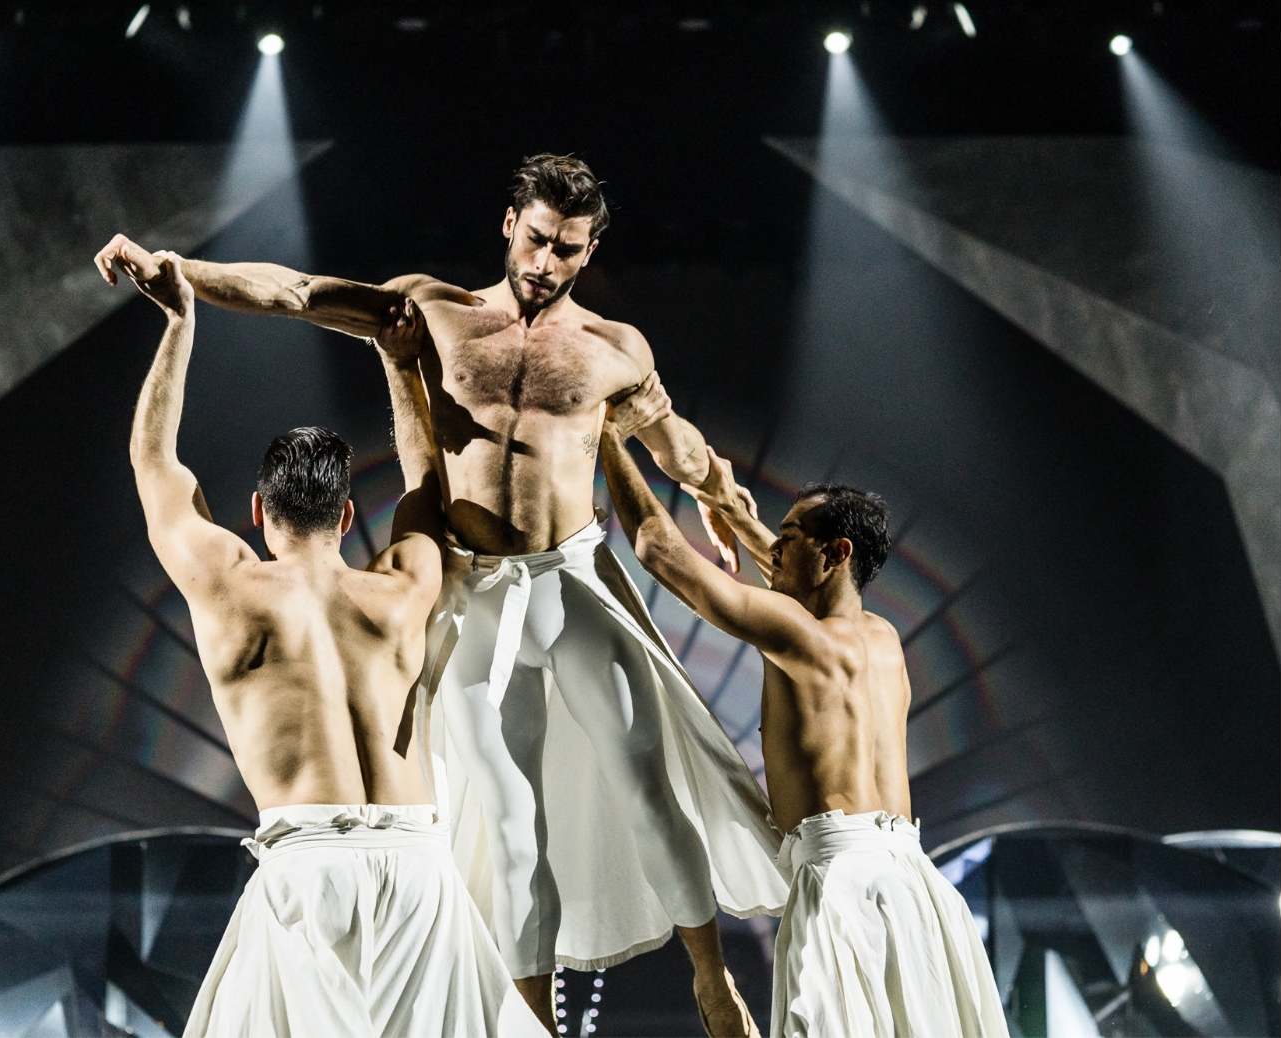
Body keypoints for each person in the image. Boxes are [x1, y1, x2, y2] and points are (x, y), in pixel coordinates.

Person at [95, 154, 785, 1037]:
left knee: (647, 779)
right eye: (536, 239)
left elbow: (678, 445)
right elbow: (296, 291)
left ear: (588, 251)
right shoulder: (429, 311)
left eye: (567, 250)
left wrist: (728, 506)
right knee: (501, 823)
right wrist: (179, 272)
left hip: (572, 575)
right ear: (509, 225)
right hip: (472, 583)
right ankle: (529, 1017)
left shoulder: (614, 349)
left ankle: (711, 979)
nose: (545, 263)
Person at [121, 251, 543, 1037]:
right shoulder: (399, 590)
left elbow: (154, 464)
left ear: (255, 509)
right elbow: (425, 490)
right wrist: (398, 363)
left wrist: (179, 321)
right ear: (348, 517)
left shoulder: (230, 586)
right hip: (419, 867)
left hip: (308, 867)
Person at [599, 379, 1010, 1038]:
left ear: (836, 551)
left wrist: (607, 439)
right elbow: (801, 577)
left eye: (790, 536)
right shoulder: (880, 640)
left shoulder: (799, 636)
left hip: (840, 883)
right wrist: (730, 512)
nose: (774, 548)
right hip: (915, 885)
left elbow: (657, 548)